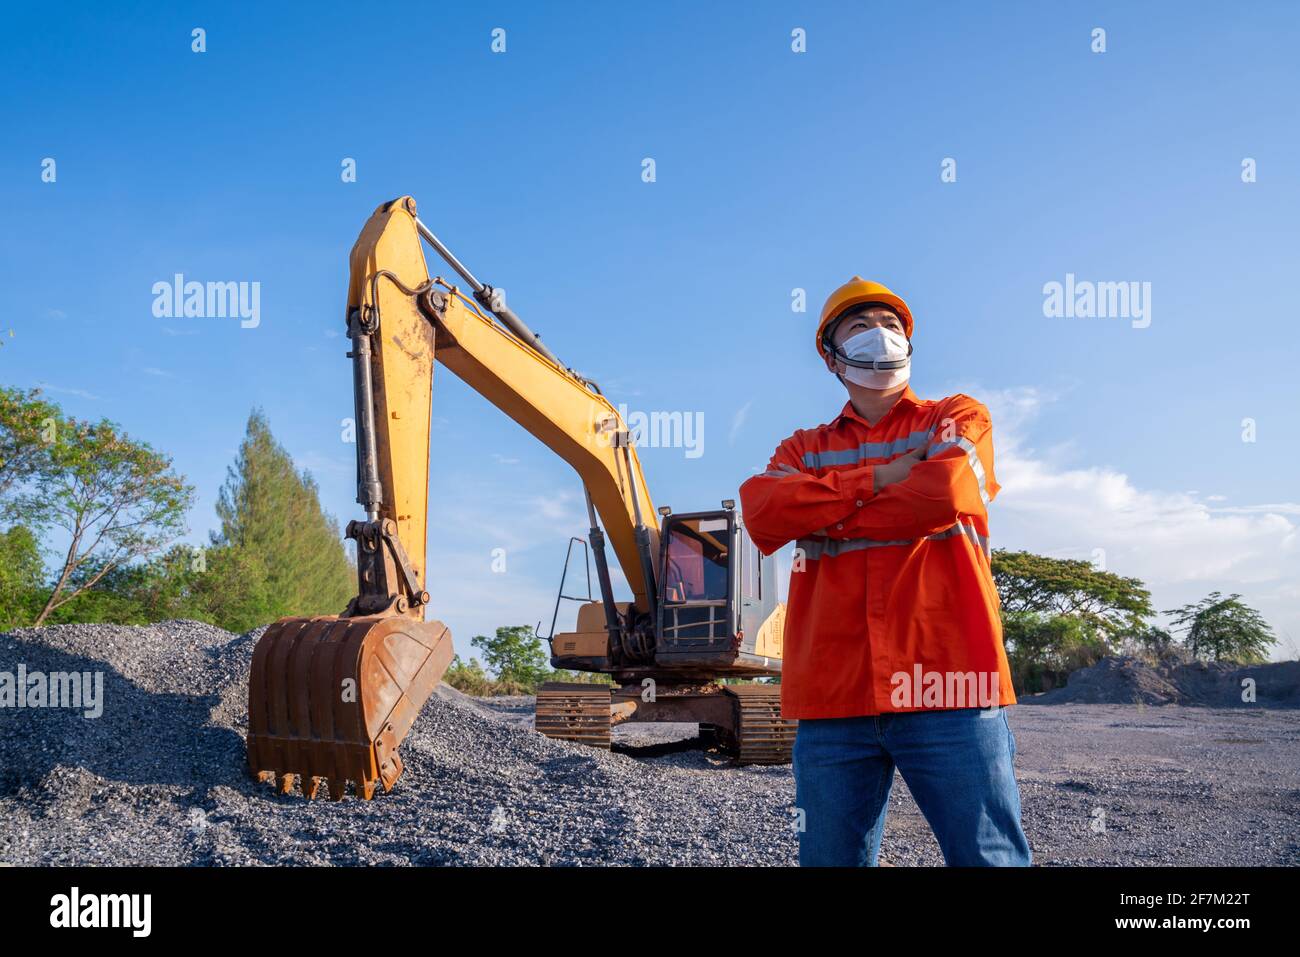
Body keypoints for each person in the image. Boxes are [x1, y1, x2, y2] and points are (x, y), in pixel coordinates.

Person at [738, 277, 1031, 867]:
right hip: (834, 698)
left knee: (987, 858)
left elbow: (945, 491)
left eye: (892, 324)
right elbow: (764, 512)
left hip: (950, 685)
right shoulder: (803, 447)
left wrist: (829, 508)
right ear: (830, 355)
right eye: (859, 325)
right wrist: (883, 477)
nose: (881, 334)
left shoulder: (956, 416)